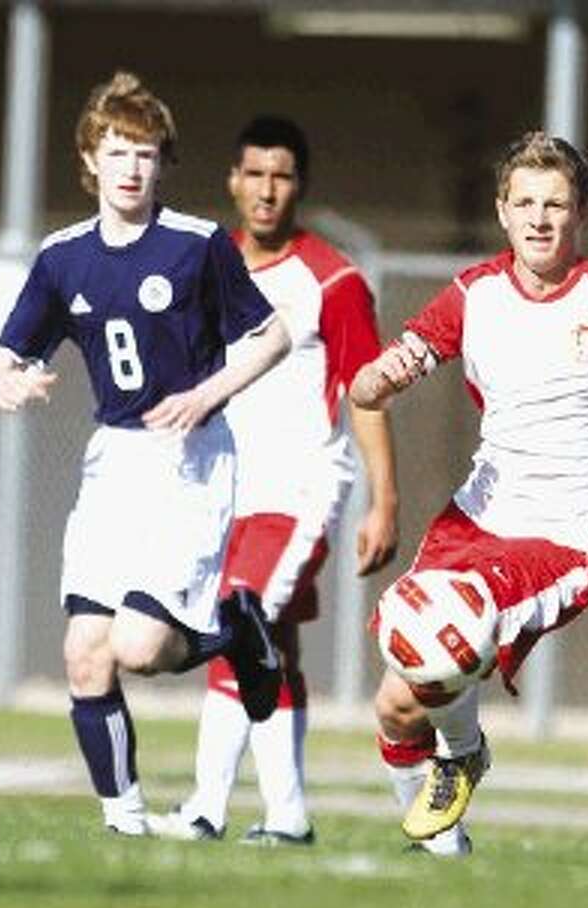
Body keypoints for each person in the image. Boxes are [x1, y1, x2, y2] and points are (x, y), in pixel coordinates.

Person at [351, 131, 588, 851]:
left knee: (443, 637)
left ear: (580, 215)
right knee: (396, 704)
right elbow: (383, 374)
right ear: (503, 211)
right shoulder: (475, 295)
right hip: (473, 519)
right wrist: (377, 378)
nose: (539, 219)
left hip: (564, 539)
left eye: (555, 204)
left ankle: (461, 753)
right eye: (525, 204)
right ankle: (442, 857)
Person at [0, 71, 291, 837]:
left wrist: (206, 394)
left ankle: (235, 630)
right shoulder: (62, 257)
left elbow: (273, 336)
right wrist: (9, 382)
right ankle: (124, 822)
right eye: (118, 152)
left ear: (163, 164)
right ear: (90, 159)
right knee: (85, 652)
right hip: (113, 463)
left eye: (146, 154)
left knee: (139, 647)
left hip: (189, 459)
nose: (131, 168)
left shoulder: (197, 245)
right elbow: (4, 356)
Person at [145, 117, 400, 847]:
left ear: (300, 185)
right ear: (232, 180)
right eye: (253, 174)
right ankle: (288, 816)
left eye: (281, 176)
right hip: (224, 492)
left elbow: (366, 392)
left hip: (299, 490)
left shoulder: (333, 280)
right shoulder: (207, 264)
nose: (266, 189)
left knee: (238, 620)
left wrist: (384, 499)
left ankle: (205, 808)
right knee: (270, 646)